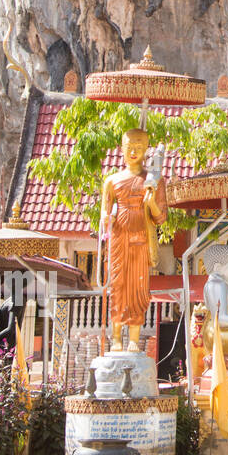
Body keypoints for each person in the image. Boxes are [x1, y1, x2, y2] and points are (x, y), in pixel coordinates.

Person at [100, 127, 167, 352]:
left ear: (147, 150)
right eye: (129, 147)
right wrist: (106, 218)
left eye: (139, 148)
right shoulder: (112, 181)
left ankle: (133, 339)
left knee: (138, 288)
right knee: (118, 286)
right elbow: (104, 213)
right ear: (121, 148)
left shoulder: (154, 180)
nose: (133, 152)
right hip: (119, 238)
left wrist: (150, 202)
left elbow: (161, 218)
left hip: (141, 238)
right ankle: (117, 337)